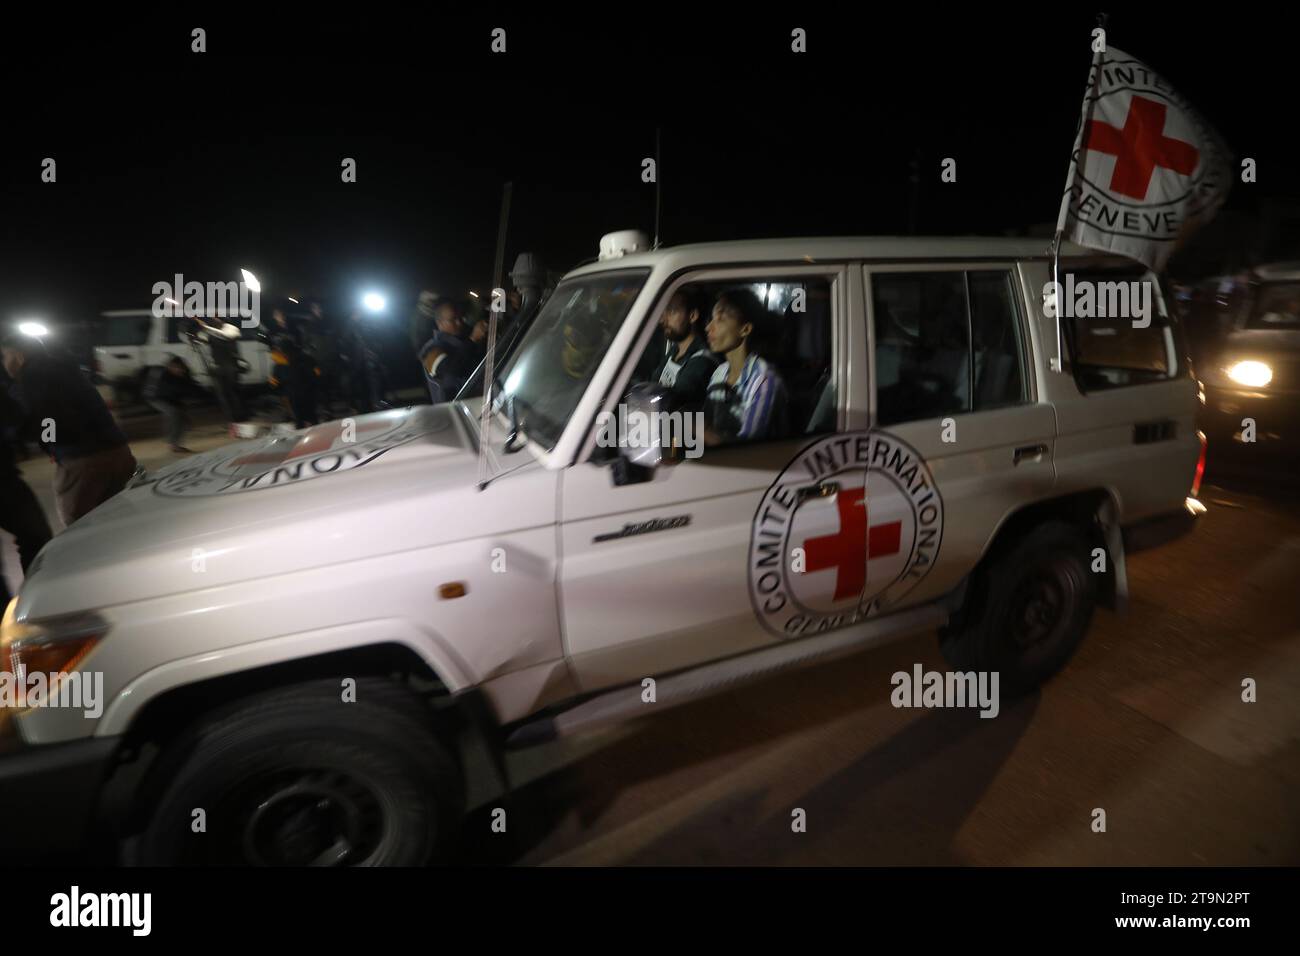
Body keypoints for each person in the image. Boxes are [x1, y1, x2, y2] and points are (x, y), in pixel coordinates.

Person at [1, 333, 137, 527]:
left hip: (83, 459)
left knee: (77, 525)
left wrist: (48, 439)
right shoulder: (65, 367)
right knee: (119, 515)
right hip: (118, 450)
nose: (4, 363)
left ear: (19, 356)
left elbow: (47, 417)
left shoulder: (32, 376)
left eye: (4, 356)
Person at [702, 288, 788, 445]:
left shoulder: (764, 380)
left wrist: (696, 429)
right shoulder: (720, 373)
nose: (709, 327)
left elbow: (746, 449)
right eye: (711, 318)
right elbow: (707, 419)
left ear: (745, 329)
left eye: (720, 319)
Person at [0, 368, 53, 605]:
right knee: (36, 538)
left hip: (5, 478)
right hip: (5, 478)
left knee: (37, 539)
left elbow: (20, 418)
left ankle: (38, 601)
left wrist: (49, 441)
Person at [652, 287, 721, 409]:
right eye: (663, 313)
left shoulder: (702, 359)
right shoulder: (675, 350)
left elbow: (672, 401)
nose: (663, 320)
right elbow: (654, 382)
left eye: (672, 312)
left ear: (693, 316)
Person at [418, 298, 485, 405]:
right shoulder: (430, 350)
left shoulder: (464, 340)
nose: (459, 323)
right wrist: (473, 340)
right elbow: (451, 371)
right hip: (454, 410)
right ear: (439, 323)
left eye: (461, 318)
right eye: (453, 319)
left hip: (479, 402)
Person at [142, 356, 204, 452]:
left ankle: (174, 440)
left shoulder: (184, 373)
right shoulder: (163, 376)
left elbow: (191, 386)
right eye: (176, 368)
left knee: (178, 415)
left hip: (171, 398)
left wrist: (204, 393)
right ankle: (174, 444)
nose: (179, 371)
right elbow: (172, 391)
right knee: (173, 413)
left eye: (180, 369)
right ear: (169, 367)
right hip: (154, 397)